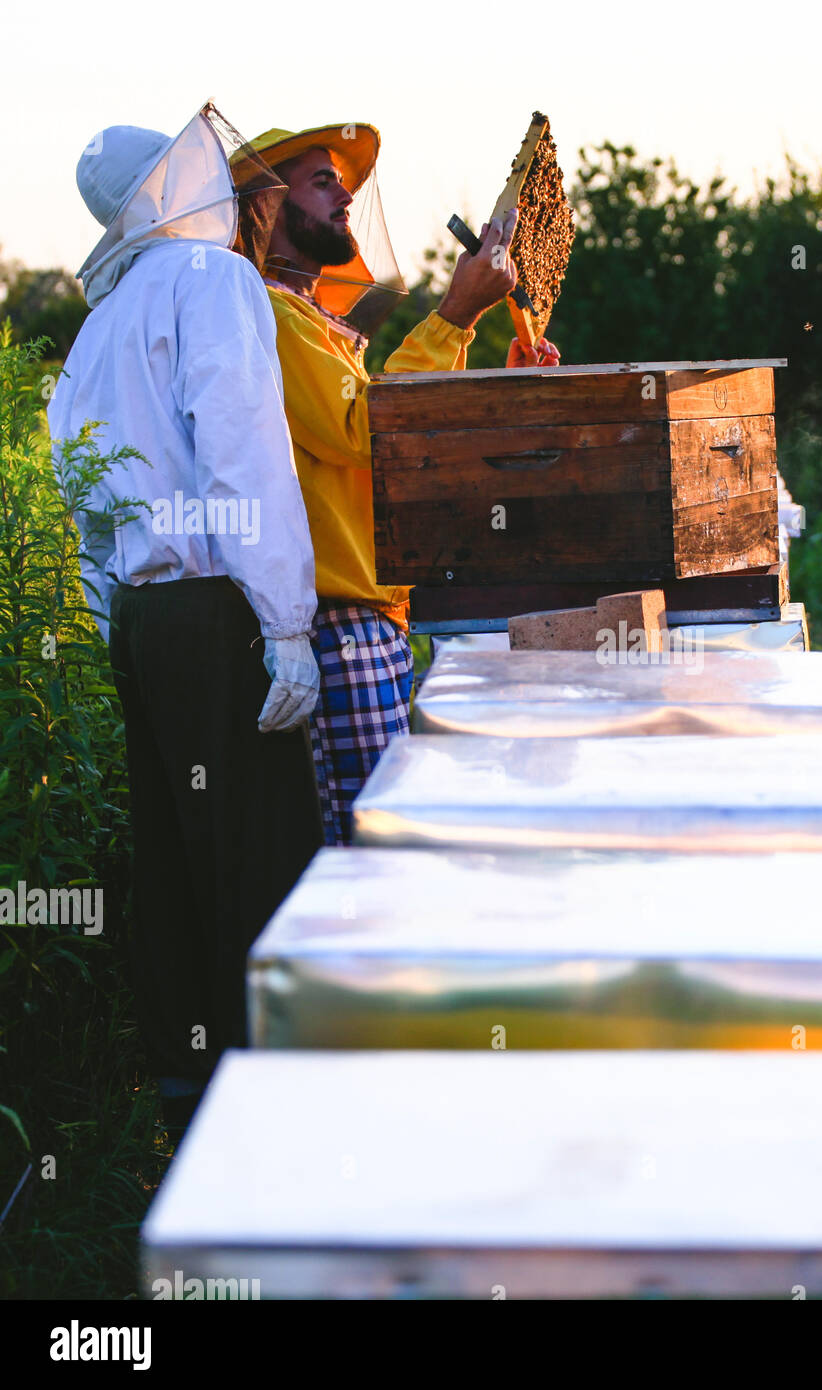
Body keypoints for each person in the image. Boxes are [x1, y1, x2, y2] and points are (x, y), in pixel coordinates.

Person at [47, 104, 323, 1130]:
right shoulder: (212, 280)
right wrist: (285, 622)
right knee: (258, 853)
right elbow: (243, 449)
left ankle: (187, 1093)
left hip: (141, 618)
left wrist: (114, 611)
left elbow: (85, 497)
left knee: (172, 857)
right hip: (220, 614)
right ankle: (274, 1100)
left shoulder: (99, 323)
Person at [233, 123, 559, 844]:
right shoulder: (269, 314)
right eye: (320, 180)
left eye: (342, 179)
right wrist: (454, 315)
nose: (343, 192)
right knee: (371, 850)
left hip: (369, 621)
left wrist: (496, 386)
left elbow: (404, 440)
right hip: (337, 622)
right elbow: (371, 431)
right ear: (263, 207)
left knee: (389, 837)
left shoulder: (309, 320)